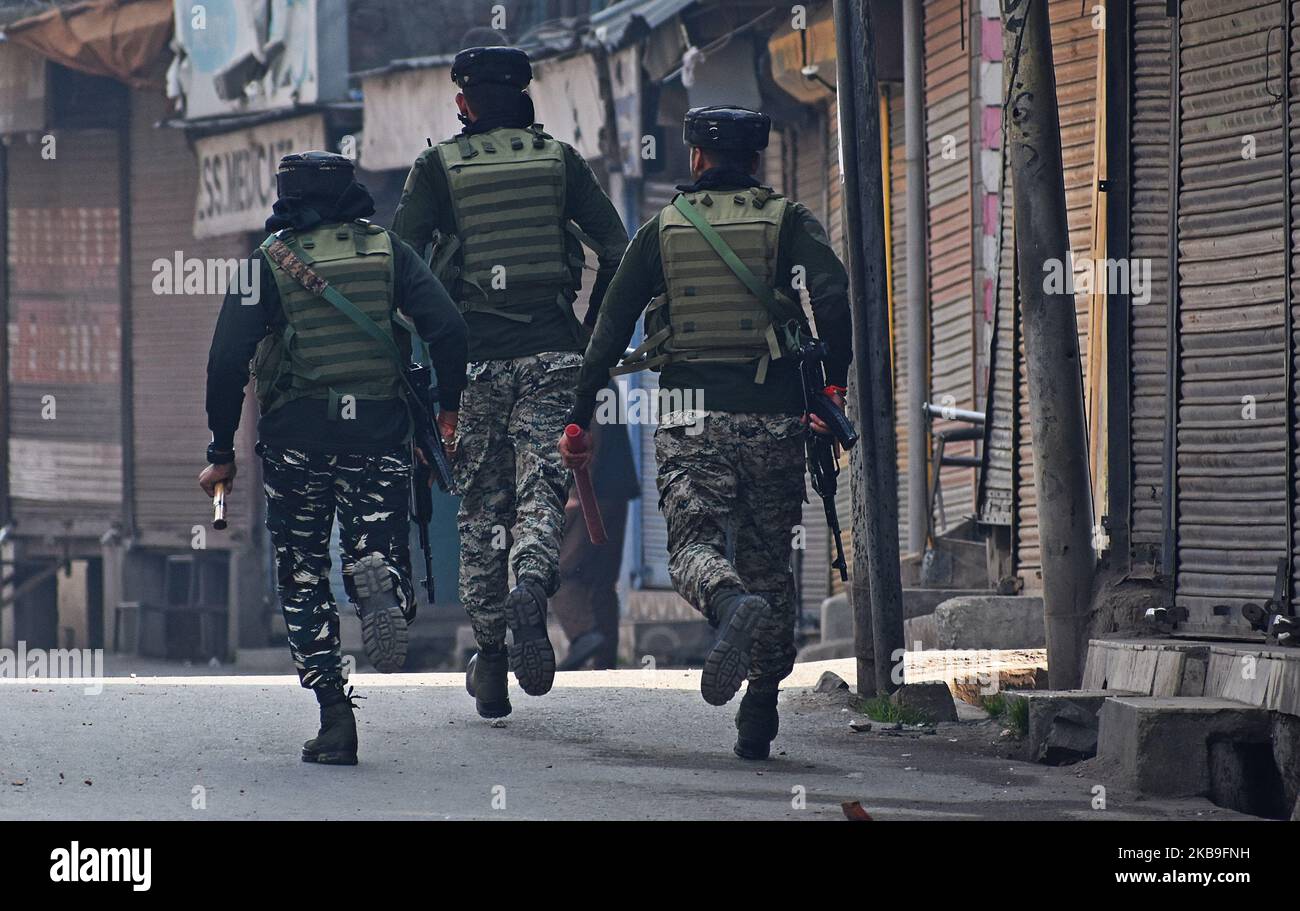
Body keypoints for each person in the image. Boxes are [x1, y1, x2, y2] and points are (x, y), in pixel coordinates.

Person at [560, 106, 852, 760]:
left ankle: (725, 602)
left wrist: (579, 416)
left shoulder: (661, 229)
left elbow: (607, 334)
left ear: (695, 158)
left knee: (693, 542)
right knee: (771, 562)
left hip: (692, 412)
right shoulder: (788, 220)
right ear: (757, 159)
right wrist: (831, 385)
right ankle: (761, 705)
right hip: (774, 416)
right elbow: (832, 294)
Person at [200, 151, 468, 765]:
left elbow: (223, 364)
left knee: (300, 570)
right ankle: (382, 586)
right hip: (377, 432)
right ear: (349, 192)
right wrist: (447, 407)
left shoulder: (266, 263)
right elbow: (448, 327)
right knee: (382, 547)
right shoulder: (388, 251)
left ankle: (334, 715)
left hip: (297, 436)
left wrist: (221, 451)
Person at [392, 46, 629, 718]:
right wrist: (588, 337)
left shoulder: (437, 168)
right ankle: (531, 581)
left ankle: (491, 660)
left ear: (464, 102)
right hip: (552, 354)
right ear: (525, 98)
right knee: (542, 494)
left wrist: (435, 348)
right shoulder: (560, 162)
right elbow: (618, 250)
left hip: (470, 367)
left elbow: (398, 270)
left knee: (479, 512)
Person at [551, 384, 640, 671]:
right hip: (618, 491)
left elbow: (593, 432)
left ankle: (583, 634)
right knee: (602, 581)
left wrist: (577, 494)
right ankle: (605, 664)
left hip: (592, 492)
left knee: (561, 571)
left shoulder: (585, 378)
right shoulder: (605, 380)